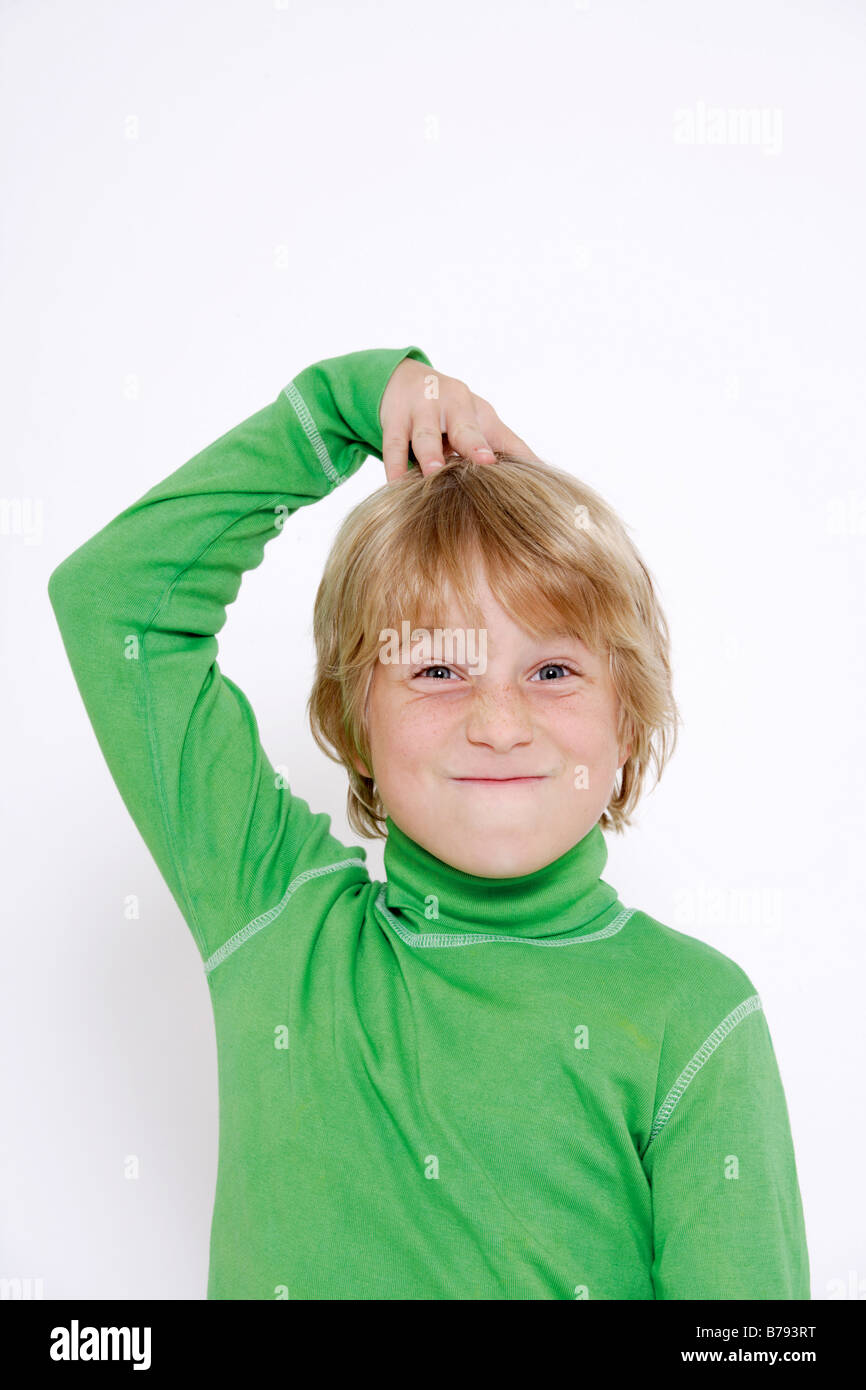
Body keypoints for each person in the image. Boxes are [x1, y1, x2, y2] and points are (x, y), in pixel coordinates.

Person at [47, 345, 810, 1299]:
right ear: (353, 720)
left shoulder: (694, 1014)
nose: (497, 724)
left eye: (553, 670)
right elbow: (116, 601)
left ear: (628, 719)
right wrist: (344, 407)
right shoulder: (281, 925)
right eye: (438, 670)